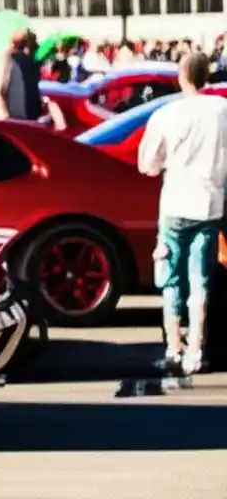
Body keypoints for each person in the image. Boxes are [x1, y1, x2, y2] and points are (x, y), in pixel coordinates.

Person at [137, 53, 227, 376]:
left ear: (182, 77)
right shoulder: (222, 111)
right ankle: (196, 349)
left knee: (171, 277)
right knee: (200, 276)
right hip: (210, 203)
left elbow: (147, 164)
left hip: (175, 203)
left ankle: (174, 346)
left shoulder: (167, 114)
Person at [0, 29, 42, 121]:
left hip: (18, 119)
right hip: (9, 121)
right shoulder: (8, 60)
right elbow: (0, 88)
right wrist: (5, 116)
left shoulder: (23, 62)